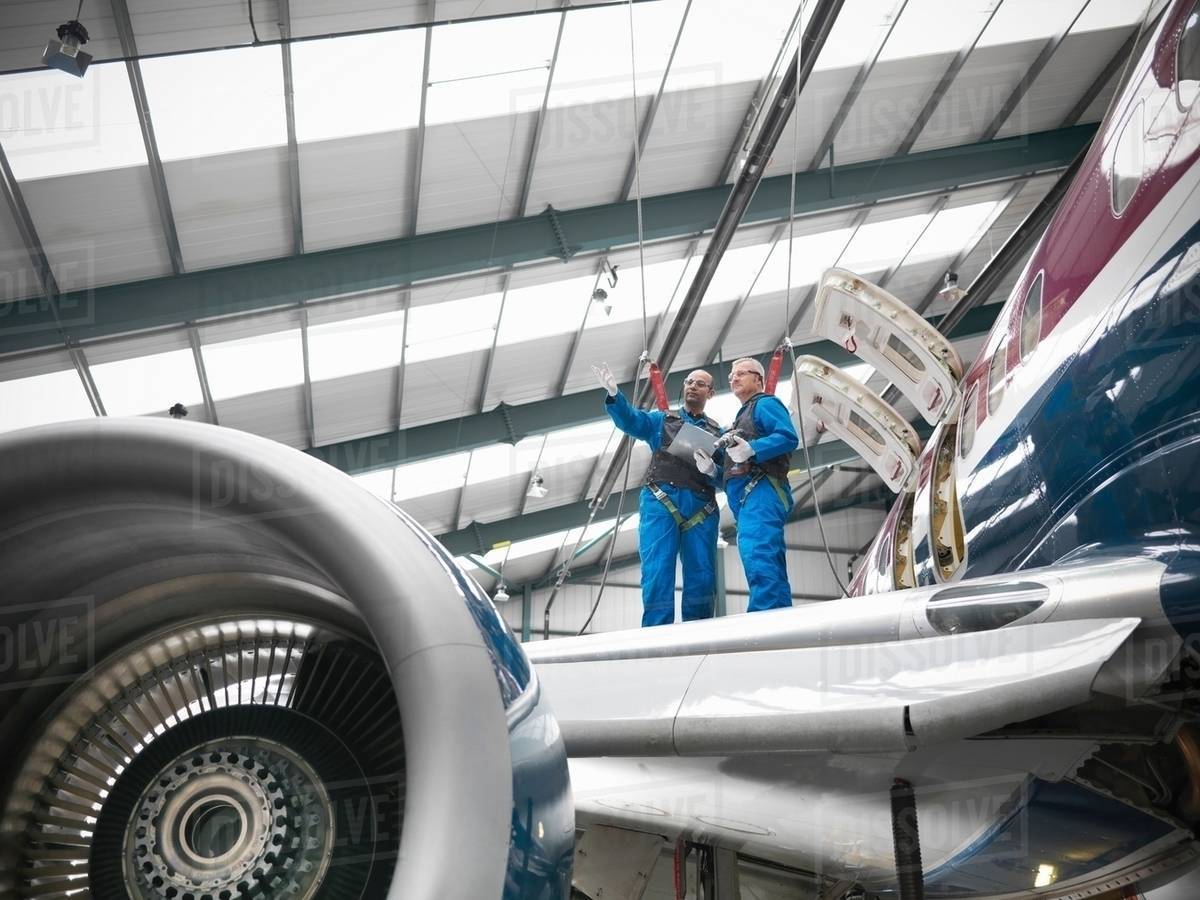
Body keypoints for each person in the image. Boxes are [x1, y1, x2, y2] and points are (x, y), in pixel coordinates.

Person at [593, 363, 723, 626]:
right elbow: (633, 421)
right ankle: (656, 632)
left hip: (701, 509)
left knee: (703, 576)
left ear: (710, 393)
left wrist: (713, 470)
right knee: (657, 571)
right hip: (661, 502)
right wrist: (615, 396)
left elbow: (727, 477)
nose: (692, 386)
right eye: (689, 382)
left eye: (700, 384)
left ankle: (700, 634)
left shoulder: (718, 435)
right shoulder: (662, 421)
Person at [723, 357, 798, 611]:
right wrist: (713, 470)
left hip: (762, 492)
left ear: (758, 380)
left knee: (760, 557)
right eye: (731, 376)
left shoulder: (765, 404)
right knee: (760, 558)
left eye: (740, 373)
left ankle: (766, 617)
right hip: (748, 500)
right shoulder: (741, 419)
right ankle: (776, 616)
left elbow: (787, 436)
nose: (734, 378)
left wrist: (753, 448)